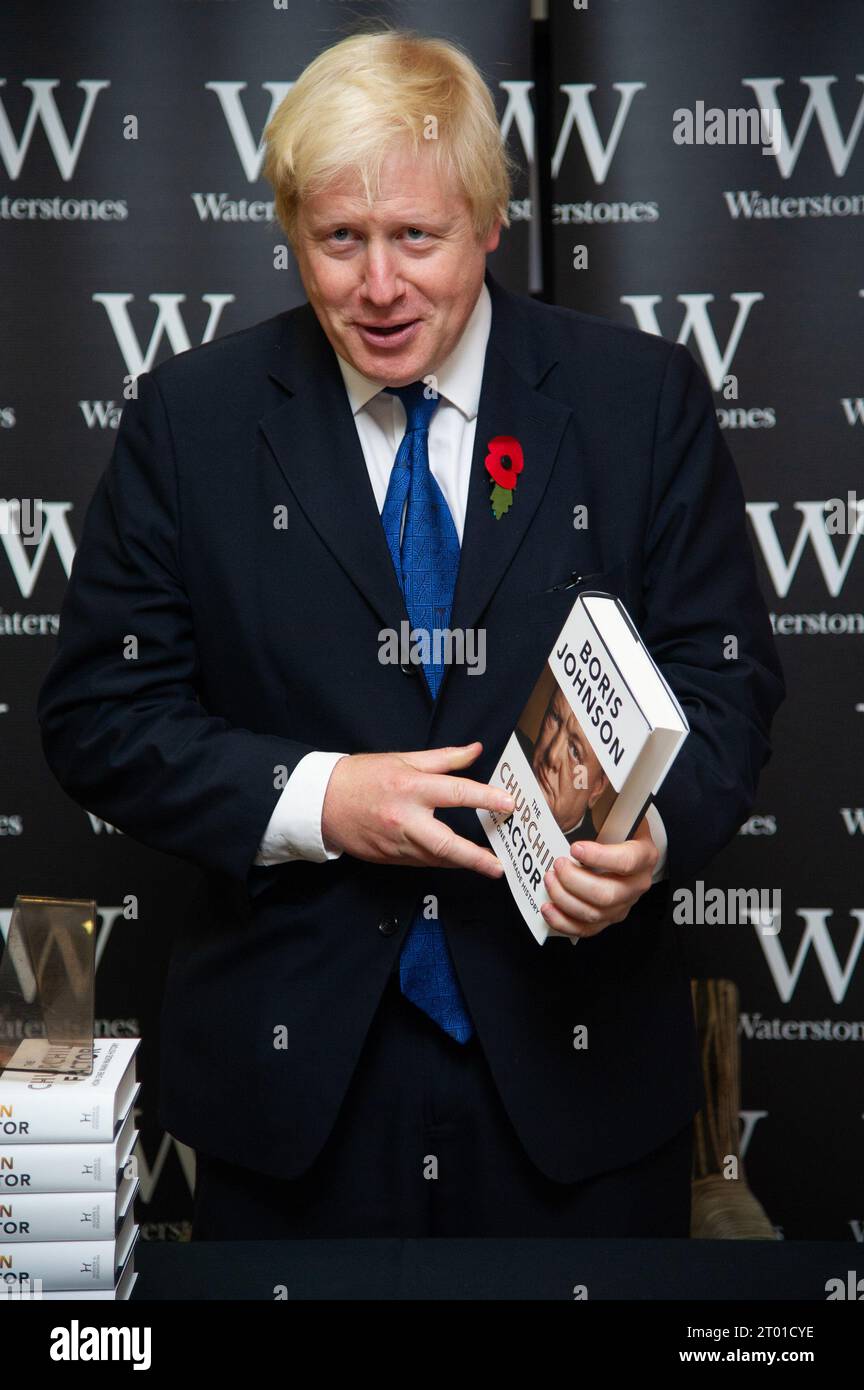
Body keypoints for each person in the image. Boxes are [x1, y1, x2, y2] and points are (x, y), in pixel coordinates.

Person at [36, 29, 784, 1240]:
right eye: (341, 240)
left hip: (575, 1081)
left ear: (489, 223)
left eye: (416, 239)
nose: (379, 286)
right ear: (292, 232)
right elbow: (101, 714)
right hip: (295, 1097)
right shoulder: (194, 420)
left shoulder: (637, 400)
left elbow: (725, 674)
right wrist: (319, 798)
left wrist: (647, 828)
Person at [516, 686, 611, 840]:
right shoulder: (504, 743)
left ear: (597, 787)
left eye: (575, 752)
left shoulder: (590, 861)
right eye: (554, 718)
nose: (552, 756)